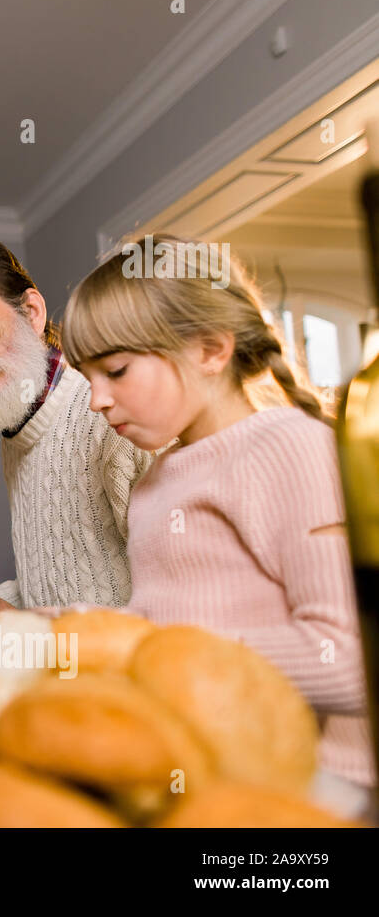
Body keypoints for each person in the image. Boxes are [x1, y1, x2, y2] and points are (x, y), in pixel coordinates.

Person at [62, 234, 372, 786]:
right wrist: (89, 628)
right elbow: (175, 623)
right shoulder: (156, 479)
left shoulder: (289, 447)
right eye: (88, 378)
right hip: (207, 769)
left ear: (209, 349)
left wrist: (151, 653)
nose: (97, 400)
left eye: (116, 370)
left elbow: (348, 660)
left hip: (315, 787)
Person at [0, 235, 155, 621]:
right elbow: (57, 585)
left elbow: (173, 606)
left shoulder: (114, 416)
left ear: (31, 312)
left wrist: (30, 625)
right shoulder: (20, 422)